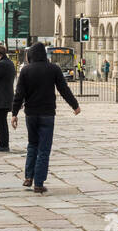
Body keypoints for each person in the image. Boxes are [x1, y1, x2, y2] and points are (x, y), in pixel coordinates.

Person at [11, 42, 80, 195]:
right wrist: (74, 105)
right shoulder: (53, 69)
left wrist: (14, 113)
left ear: (31, 56)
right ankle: (39, 183)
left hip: (31, 114)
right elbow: (63, 89)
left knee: (32, 145)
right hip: (47, 114)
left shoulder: (26, 70)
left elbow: (19, 94)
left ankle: (28, 177)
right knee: (44, 149)